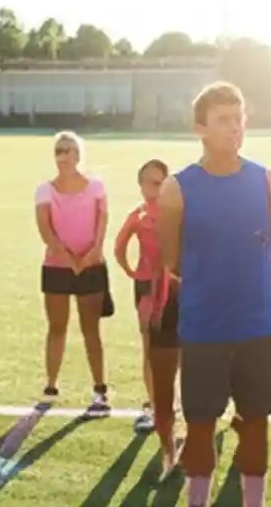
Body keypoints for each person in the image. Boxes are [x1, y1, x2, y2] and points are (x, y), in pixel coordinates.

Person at [158, 81, 271, 507]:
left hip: (258, 328)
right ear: (200, 128)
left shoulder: (268, 182)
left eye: (239, 118)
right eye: (223, 120)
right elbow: (171, 260)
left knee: (256, 424)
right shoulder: (177, 188)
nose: (234, 127)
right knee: (200, 426)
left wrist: (267, 274)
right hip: (204, 330)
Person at [35, 131, 111, 416]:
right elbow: (45, 229)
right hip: (56, 267)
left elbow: (102, 222)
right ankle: (51, 386)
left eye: (68, 150)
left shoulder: (96, 187)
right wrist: (68, 259)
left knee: (91, 329)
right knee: (57, 327)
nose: (63, 156)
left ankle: (99, 389)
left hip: (91, 265)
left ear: (78, 155)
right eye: (59, 151)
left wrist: (91, 255)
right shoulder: (44, 190)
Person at [113, 159, 169, 434]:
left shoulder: (176, 213)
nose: (155, 188)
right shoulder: (137, 216)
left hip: (175, 287)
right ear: (141, 185)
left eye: (160, 183)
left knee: (180, 347)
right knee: (151, 347)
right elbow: (119, 246)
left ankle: (175, 405)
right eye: (150, 182)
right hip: (147, 287)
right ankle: (154, 406)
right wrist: (133, 272)